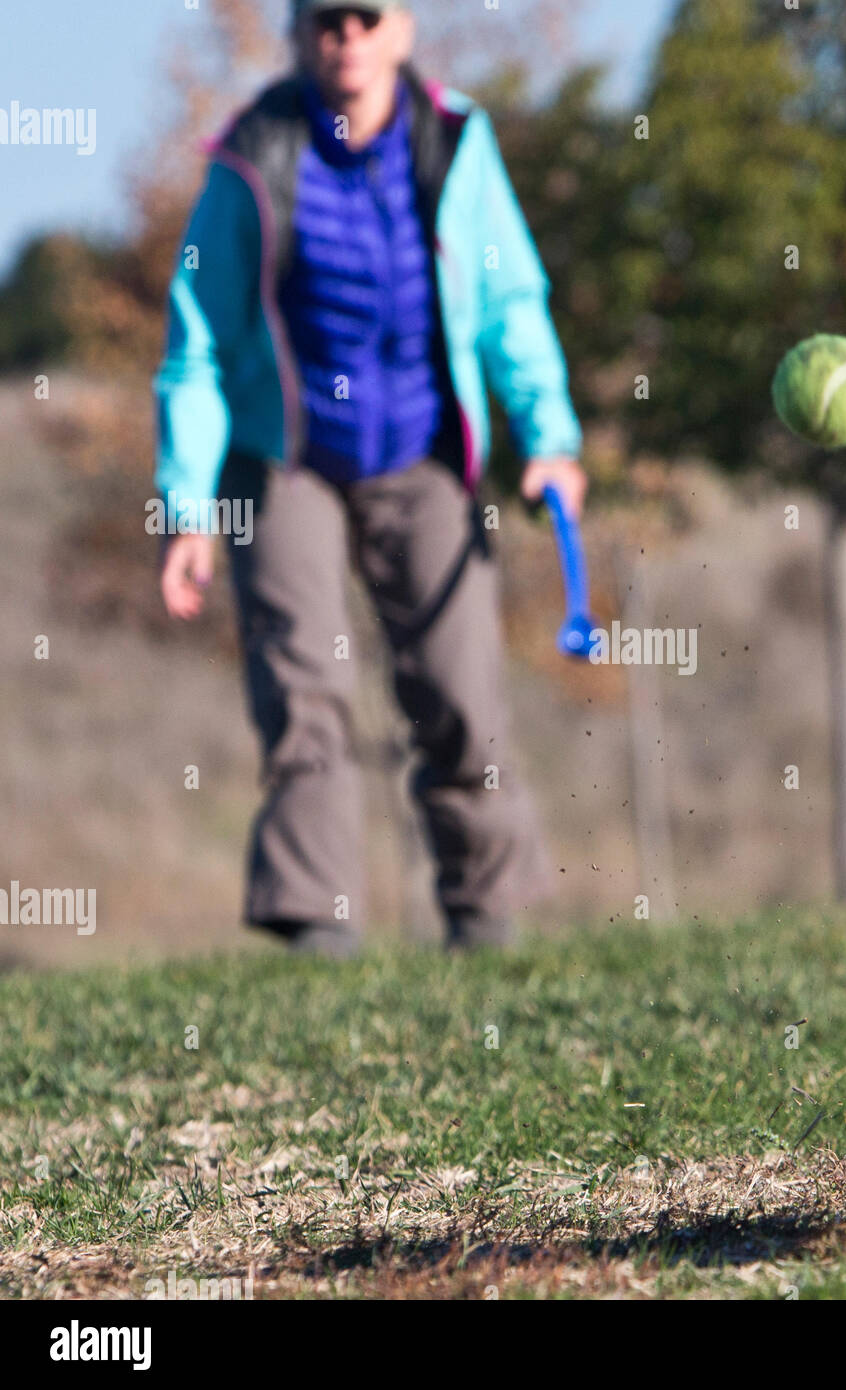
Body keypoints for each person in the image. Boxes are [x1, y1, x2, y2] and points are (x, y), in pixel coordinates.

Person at [154, 0, 586, 955]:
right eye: (324, 19)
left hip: (424, 451)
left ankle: (484, 920)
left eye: (366, 15)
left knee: (459, 689)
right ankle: (317, 931)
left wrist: (549, 435)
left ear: (403, 30)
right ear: (300, 35)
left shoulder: (457, 141)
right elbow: (197, 346)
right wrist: (184, 509)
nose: (345, 36)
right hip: (288, 460)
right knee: (305, 688)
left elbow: (508, 297)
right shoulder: (250, 155)